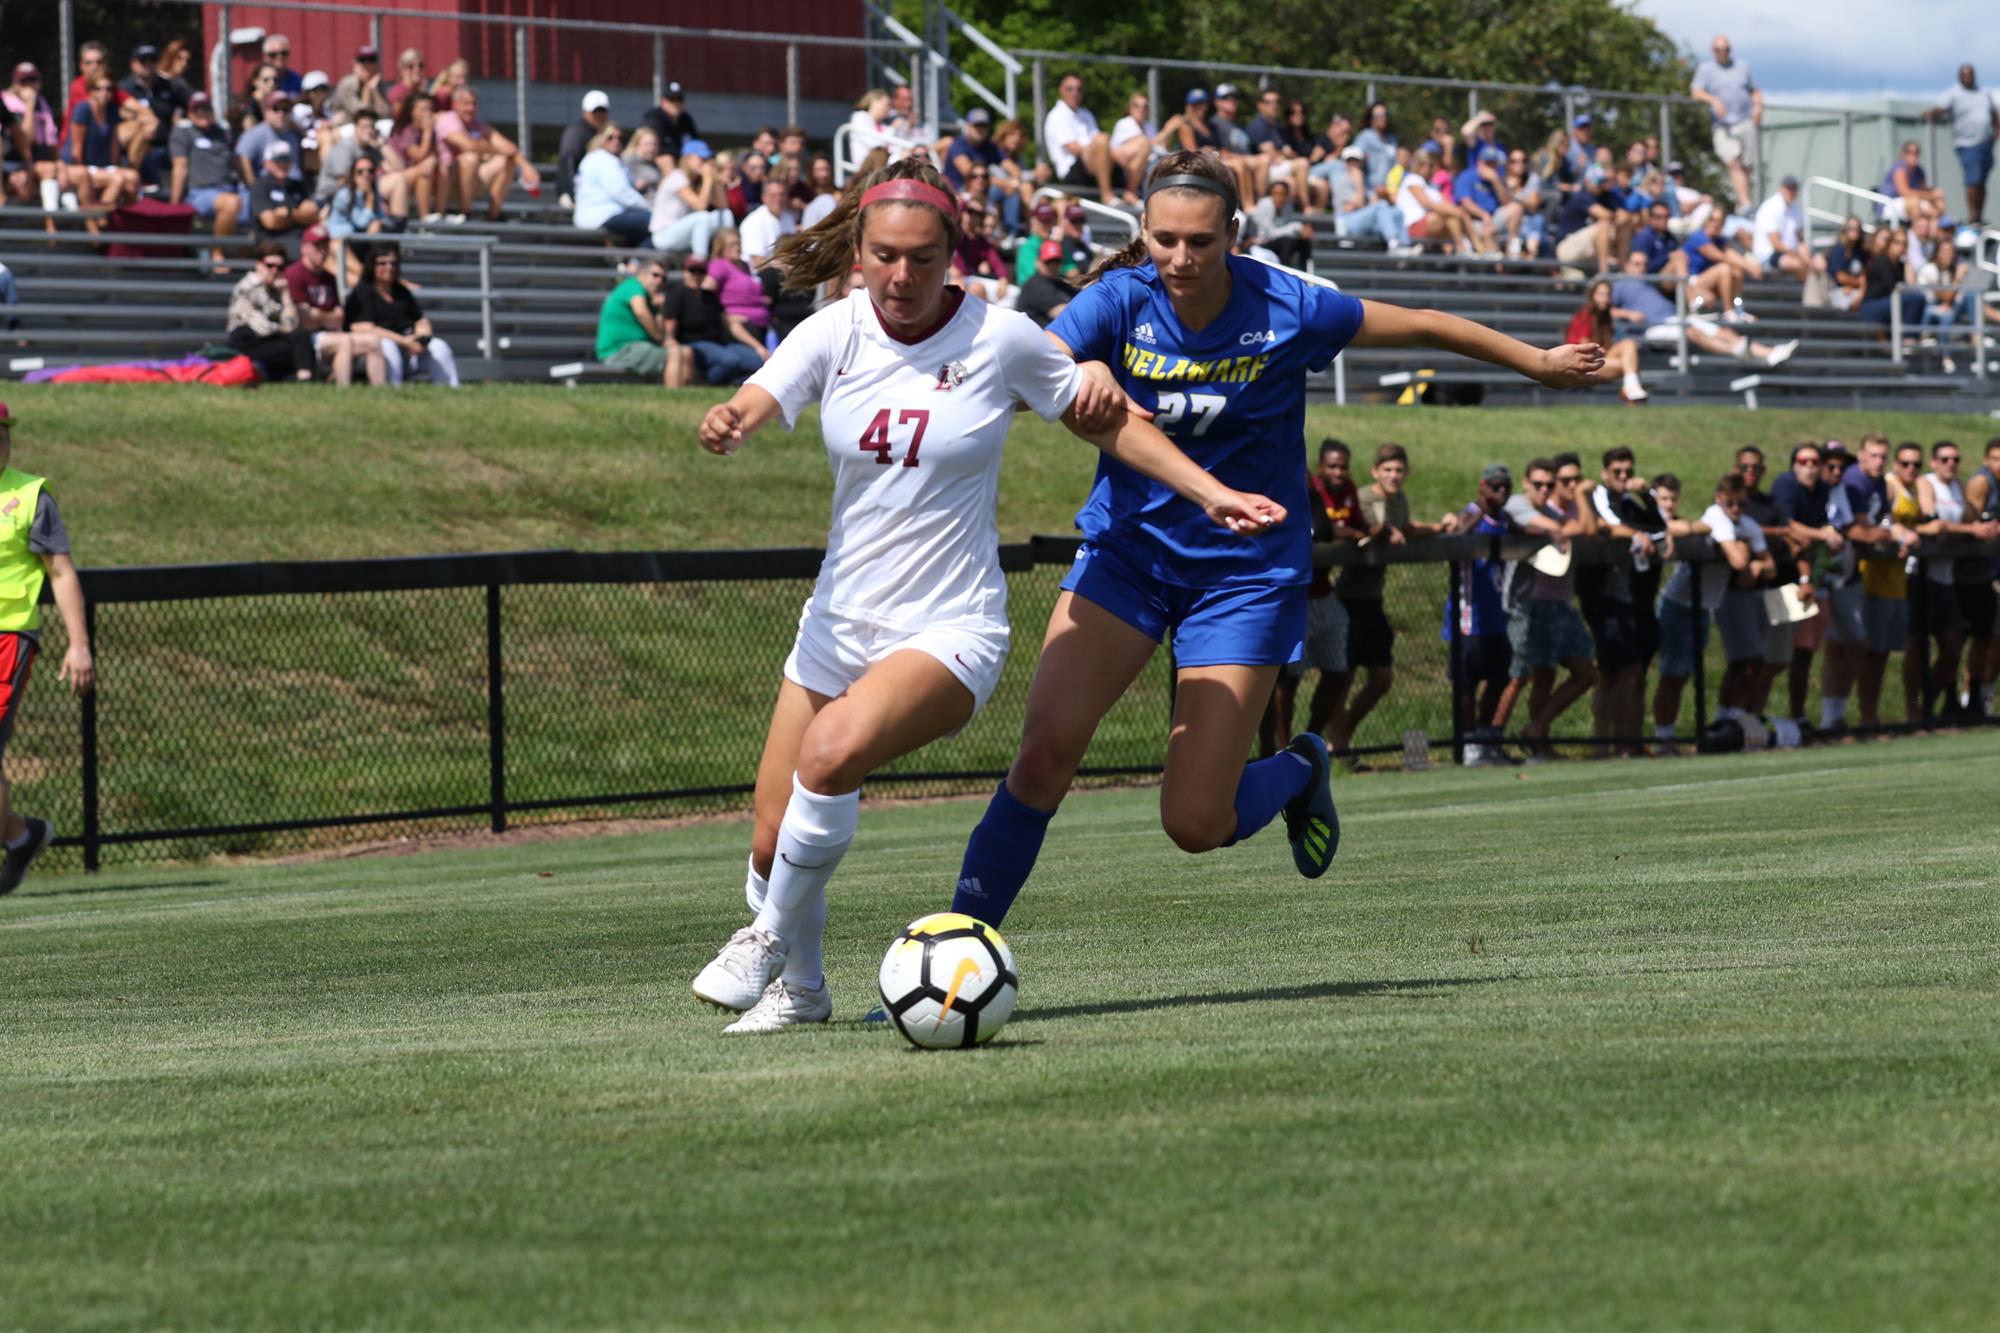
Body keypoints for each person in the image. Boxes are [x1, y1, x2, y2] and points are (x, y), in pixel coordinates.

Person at [927, 151, 1604, 948]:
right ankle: (955, 952)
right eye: (1166, 239)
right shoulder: (1117, 297)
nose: (1181, 259)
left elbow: (1422, 324)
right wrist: (1076, 370)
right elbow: (1038, 358)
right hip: (1128, 558)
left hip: (1244, 577)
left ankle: (1300, 767)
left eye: (1201, 242)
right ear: (1143, 232)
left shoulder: (1289, 305)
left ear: (1235, 237)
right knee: (1042, 756)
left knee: (1192, 820)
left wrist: (1539, 362)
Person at [684, 157, 1283, 1032]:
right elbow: (764, 391)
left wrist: (1210, 491)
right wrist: (733, 417)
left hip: (949, 625)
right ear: (857, 249)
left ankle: (764, 935)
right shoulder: (836, 330)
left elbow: (1111, 419)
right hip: (836, 622)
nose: (901, 275)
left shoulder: (998, 337)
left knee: (830, 753)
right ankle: (803, 989)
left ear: (952, 254)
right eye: (884, 255)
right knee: (773, 839)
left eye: (923, 258)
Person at [0, 403, 93, 895]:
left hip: (8, 638)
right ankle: (20, 834)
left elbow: (60, 573)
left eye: (3, 435)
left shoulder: (30, 496)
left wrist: (79, 645)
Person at [1494, 457, 1599, 757]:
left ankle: (1536, 730)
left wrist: (1578, 500)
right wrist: (1559, 527)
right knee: (1529, 675)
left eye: (1549, 485)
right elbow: (1553, 526)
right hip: (1530, 603)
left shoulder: (1553, 510)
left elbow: (1587, 530)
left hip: (1562, 604)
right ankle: (1496, 738)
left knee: (1585, 672)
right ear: (1526, 482)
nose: (1545, 489)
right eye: (1539, 484)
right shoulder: (1519, 504)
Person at [1266, 439, 1363, 754]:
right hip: (1292, 599)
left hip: (1322, 594)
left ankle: (1308, 743)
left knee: (1337, 671)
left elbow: (1325, 531)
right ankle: (1280, 750)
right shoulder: (1274, 490)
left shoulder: (1316, 494)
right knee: (1288, 679)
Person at [1651, 475, 1747, 748]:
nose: (1736, 509)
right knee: (1672, 673)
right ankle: (1662, 737)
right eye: (1731, 503)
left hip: (1702, 606)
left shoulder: (1739, 522)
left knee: (1684, 674)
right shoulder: (1717, 518)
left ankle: (1671, 734)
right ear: (1719, 499)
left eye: (1741, 503)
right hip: (1680, 604)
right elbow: (1740, 562)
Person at [1585, 447, 1664, 755]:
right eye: (1617, 472)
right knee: (1610, 672)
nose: (1623, 477)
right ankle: (1602, 744)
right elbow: (1608, 524)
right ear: (1605, 473)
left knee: (1632, 671)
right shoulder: (1600, 500)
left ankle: (1629, 742)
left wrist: (1648, 497)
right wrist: (1636, 535)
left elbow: (1659, 528)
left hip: (1629, 596)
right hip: (1603, 595)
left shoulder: (1629, 504)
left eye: (1627, 472)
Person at [1915, 442, 2000, 720]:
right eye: (1945, 458)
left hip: (1962, 575)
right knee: (1948, 644)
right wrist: (1974, 529)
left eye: (1955, 458)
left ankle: (1966, 699)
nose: (1951, 463)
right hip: (1944, 576)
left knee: (1976, 640)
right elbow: (1952, 524)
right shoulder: (1977, 483)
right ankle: (1931, 705)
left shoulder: (1960, 486)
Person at [1769, 441, 1848, 726]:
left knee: (1804, 652)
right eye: (1804, 461)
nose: (1810, 467)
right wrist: (1822, 535)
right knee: (1774, 657)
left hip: (1810, 580)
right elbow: (1789, 526)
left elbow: (1818, 532)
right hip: (1781, 580)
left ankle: (1798, 716)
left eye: (1816, 462)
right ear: (1793, 464)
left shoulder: (1823, 491)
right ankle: (1749, 713)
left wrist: (1827, 536)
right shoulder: (1786, 484)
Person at [1610, 251, 1797, 368]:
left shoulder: (1651, 283)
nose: (1641, 268)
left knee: (1723, 330)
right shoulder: (1619, 286)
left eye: (1644, 264)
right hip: (1652, 328)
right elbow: (1603, 309)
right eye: (1636, 264)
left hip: (1675, 317)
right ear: (1626, 265)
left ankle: (1770, 353)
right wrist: (1628, 314)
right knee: (1692, 331)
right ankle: (1738, 350)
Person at [343, 245, 460, 388]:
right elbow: (362, 327)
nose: (389, 267)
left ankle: (450, 389)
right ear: (371, 265)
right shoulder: (362, 291)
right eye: (382, 263)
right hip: (376, 351)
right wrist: (404, 341)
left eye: (393, 263)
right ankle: (394, 390)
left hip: (409, 348)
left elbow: (421, 319)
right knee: (387, 346)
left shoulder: (401, 291)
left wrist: (421, 338)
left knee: (439, 347)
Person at [284, 225, 385, 386]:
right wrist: (325, 317)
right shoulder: (294, 273)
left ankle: (382, 392)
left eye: (325, 245)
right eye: (316, 246)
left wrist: (318, 315)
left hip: (329, 333)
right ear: (304, 247)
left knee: (373, 341)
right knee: (345, 342)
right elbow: (305, 320)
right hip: (305, 339)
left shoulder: (329, 277)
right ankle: (343, 391)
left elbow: (339, 318)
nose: (322, 251)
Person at [168, 92, 242, 272]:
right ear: (190, 113)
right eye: (197, 110)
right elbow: (180, 167)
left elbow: (239, 162)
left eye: (206, 109)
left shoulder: (223, 133)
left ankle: (246, 261)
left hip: (230, 188)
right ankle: (217, 253)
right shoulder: (183, 132)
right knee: (231, 203)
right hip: (200, 193)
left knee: (262, 208)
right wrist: (173, 205)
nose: (202, 113)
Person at [437, 87, 536, 220]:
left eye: (474, 104)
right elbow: (468, 145)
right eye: (466, 104)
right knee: (470, 158)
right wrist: (493, 149)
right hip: (445, 182)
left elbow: (508, 147)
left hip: (472, 181)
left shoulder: (477, 125)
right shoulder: (447, 120)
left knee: (506, 160)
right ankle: (465, 213)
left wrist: (526, 167)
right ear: (455, 105)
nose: (471, 108)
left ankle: (493, 215)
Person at [664, 255, 763, 386]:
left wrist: (758, 347)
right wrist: (670, 338)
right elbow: (670, 320)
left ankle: (732, 382)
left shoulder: (710, 296)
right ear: (685, 272)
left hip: (720, 343)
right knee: (730, 361)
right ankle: (706, 383)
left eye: (701, 272)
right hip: (694, 343)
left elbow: (727, 321)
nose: (696, 275)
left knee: (757, 362)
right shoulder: (677, 293)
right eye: (692, 271)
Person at [1691, 33, 1760, 212]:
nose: (1723, 53)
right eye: (1719, 49)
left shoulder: (1743, 66)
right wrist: (1713, 100)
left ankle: (1743, 202)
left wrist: (1758, 107)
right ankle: (1745, 202)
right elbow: (1696, 92)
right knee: (1733, 161)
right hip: (1722, 125)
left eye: (1726, 49)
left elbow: (1754, 91)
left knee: (1746, 166)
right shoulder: (1706, 69)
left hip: (1744, 121)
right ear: (1713, 51)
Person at [227, 243, 316, 381]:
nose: (274, 271)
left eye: (280, 267)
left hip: (267, 341)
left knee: (301, 338)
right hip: (246, 341)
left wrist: (286, 294)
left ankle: (304, 377)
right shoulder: (247, 287)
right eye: (270, 266)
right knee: (298, 345)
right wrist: (282, 329)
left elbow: (292, 325)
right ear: (258, 265)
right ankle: (306, 379)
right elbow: (260, 326)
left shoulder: (276, 289)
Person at [1926, 65, 1996, 225]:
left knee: (1981, 182)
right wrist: (1931, 113)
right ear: (1960, 77)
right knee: (1973, 180)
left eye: (1971, 74)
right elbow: (1941, 108)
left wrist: (1996, 132)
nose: (1969, 77)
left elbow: (1993, 113)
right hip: (1968, 144)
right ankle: (1973, 217)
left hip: (1985, 143)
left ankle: (1979, 216)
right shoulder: (1953, 94)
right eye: (1965, 75)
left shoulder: (1984, 92)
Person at [596, 258, 677, 385]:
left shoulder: (648, 298)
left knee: (685, 352)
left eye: (663, 278)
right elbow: (641, 313)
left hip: (635, 348)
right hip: (618, 350)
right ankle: (675, 398)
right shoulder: (633, 286)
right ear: (642, 273)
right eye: (655, 275)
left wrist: (661, 310)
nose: (659, 281)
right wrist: (661, 339)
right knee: (674, 354)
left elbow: (660, 329)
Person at [1567, 278, 1647, 403]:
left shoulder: (1605, 317)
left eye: (1607, 295)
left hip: (1599, 358)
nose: (1605, 299)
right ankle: (1630, 391)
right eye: (1601, 294)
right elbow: (1584, 348)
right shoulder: (1585, 315)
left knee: (1629, 344)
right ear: (1592, 295)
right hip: (1583, 363)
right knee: (1626, 366)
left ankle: (1630, 390)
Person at [571, 123, 651, 245]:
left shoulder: (601, 158)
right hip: (601, 216)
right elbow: (622, 193)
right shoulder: (603, 159)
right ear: (601, 138)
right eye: (610, 137)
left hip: (601, 215)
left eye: (620, 138)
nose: (616, 141)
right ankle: (635, 263)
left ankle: (631, 262)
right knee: (656, 222)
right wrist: (649, 208)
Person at [1043, 71, 1116, 203]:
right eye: (1070, 89)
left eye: (1079, 89)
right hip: (1072, 172)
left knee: (1140, 144)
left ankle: (1132, 192)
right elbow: (1075, 149)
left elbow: (1097, 144)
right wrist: (1106, 154)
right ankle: (1107, 195)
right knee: (1103, 140)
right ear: (1061, 90)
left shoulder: (1086, 114)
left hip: (1089, 166)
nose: (1075, 92)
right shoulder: (1057, 115)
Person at [650, 141, 731, 257]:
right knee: (703, 217)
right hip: (663, 235)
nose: (706, 163)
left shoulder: (696, 180)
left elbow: (724, 205)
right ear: (687, 159)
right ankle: (699, 261)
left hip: (681, 233)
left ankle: (727, 259)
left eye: (707, 159)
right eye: (702, 159)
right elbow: (701, 206)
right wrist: (708, 178)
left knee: (726, 215)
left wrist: (714, 180)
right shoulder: (677, 176)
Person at [117, 43, 181, 187]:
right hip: (137, 149)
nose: (148, 64)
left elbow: (193, 105)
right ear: (133, 64)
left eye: (152, 60)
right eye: (143, 60)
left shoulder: (170, 86)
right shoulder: (123, 88)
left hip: (167, 145)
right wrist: (144, 119)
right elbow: (120, 113)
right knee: (149, 153)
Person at [1751, 176, 1825, 283]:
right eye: (1788, 188)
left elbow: (1800, 240)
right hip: (1768, 255)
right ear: (1781, 188)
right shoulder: (1770, 207)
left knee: (1820, 262)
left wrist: (1808, 259)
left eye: (1794, 188)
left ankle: (1816, 291)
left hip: (1788, 253)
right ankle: (1814, 292)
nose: (1791, 191)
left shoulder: (1796, 209)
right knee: (1797, 264)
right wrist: (1802, 258)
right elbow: (1776, 243)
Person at [384, 91, 440, 222]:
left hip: (412, 175)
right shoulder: (406, 130)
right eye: (422, 109)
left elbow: (433, 154)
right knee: (424, 170)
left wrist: (432, 158)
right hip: (393, 175)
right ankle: (425, 217)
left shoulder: (427, 131)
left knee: (425, 174)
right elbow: (419, 156)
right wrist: (427, 131)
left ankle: (428, 217)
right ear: (412, 112)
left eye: (430, 109)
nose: (427, 114)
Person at [555, 90, 609, 205]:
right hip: (576, 192)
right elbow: (569, 162)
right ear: (585, 112)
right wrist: (571, 193)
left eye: (602, 111)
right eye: (595, 111)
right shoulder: (577, 133)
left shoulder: (605, 134)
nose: (599, 115)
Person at [739, 178, 796, 268]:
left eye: (781, 194)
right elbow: (758, 261)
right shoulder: (753, 222)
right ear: (764, 197)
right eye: (773, 195)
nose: (778, 199)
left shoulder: (788, 218)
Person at [328, 46, 389, 127]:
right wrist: (367, 88)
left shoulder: (377, 83)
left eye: (371, 60)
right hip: (345, 125)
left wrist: (374, 90)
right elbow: (361, 114)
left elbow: (386, 113)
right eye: (362, 60)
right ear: (355, 64)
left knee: (387, 124)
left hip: (368, 125)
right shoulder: (347, 83)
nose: (367, 64)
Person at [642, 81, 698, 167]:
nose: (676, 103)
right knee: (667, 160)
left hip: (684, 160)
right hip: (654, 162)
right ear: (663, 102)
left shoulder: (686, 120)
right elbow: (656, 149)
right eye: (672, 99)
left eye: (679, 99)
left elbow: (696, 142)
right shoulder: (654, 118)